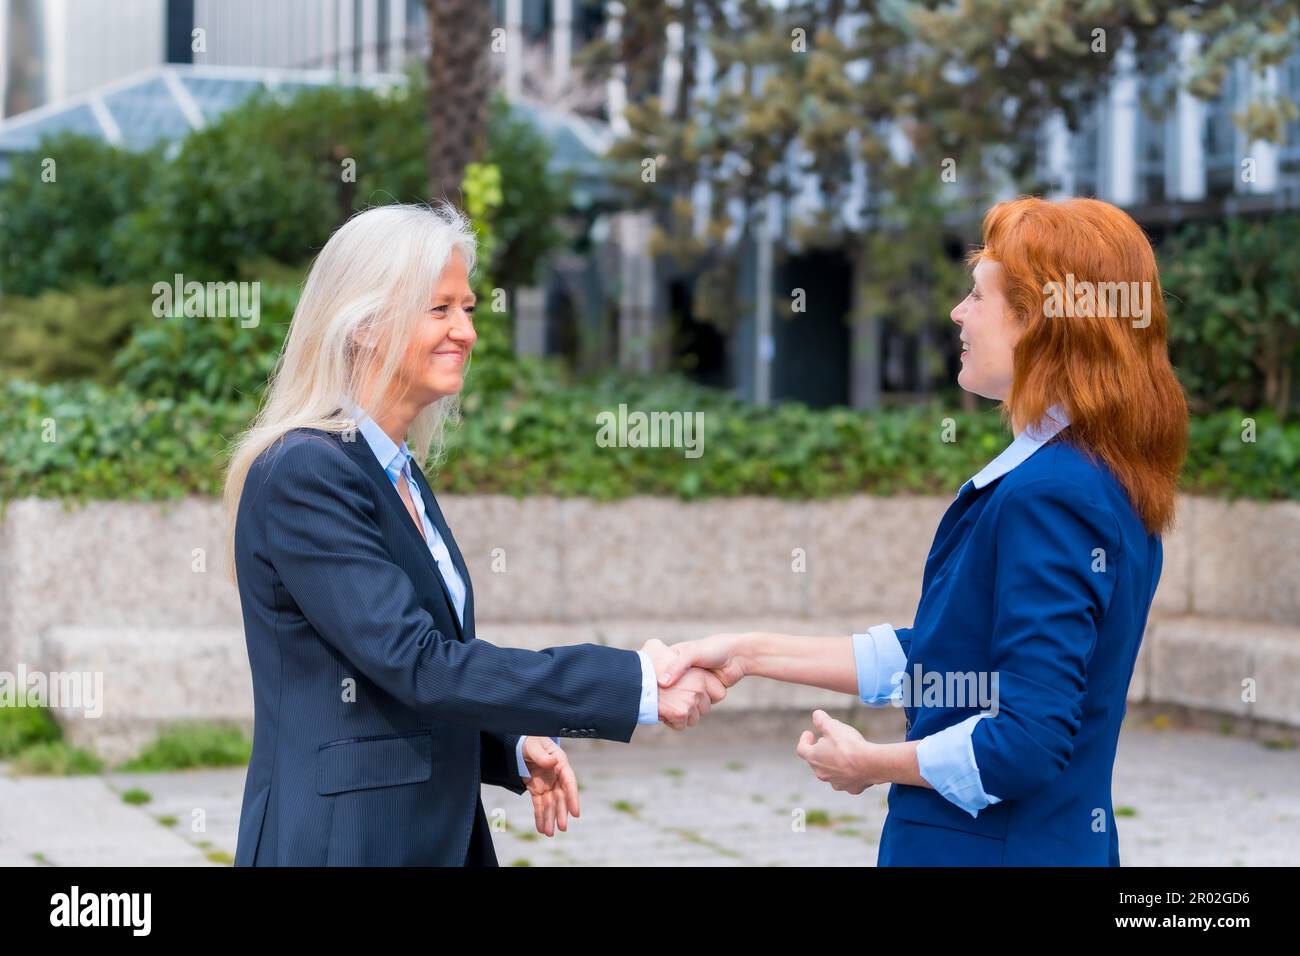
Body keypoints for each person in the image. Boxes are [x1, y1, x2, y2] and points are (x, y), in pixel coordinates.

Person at [660, 197, 1188, 866]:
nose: (957, 314)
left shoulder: (1051, 494)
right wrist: (748, 652)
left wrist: (871, 761)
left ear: (1041, 324)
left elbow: (1027, 737)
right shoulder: (1095, 477)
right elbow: (960, 665)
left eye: (977, 296)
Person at [223, 202, 725, 866]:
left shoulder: (395, 470)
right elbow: (417, 662)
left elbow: (400, 681)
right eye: (441, 310)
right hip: (343, 844)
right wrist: (633, 683)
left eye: (469, 308)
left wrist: (511, 744)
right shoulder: (306, 471)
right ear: (365, 325)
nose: (466, 331)